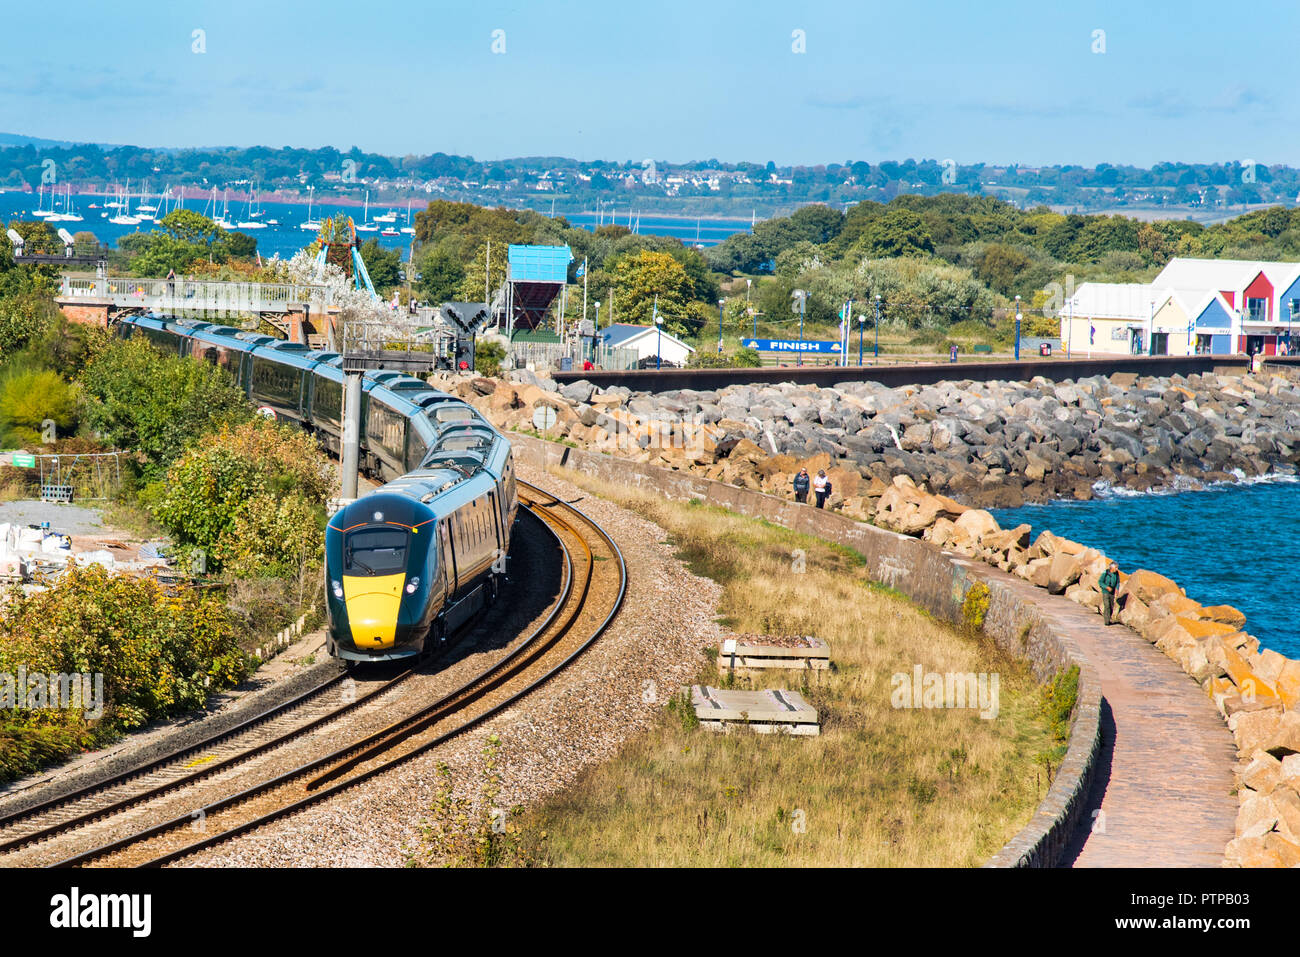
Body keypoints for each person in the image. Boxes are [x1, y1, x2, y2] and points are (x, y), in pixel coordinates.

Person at [1099, 560, 1120, 625]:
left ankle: (1108, 617)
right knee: (1107, 605)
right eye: (1116, 567)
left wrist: (1117, 589)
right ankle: (1106, 621)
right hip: (1105, 592)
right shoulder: (1105, 573)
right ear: (1112, 568)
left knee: (1111, 606)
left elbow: (1118, 582)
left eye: (1117, 567)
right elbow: (1100, 582)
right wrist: (1106, 587)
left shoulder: (1116, 573)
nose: (1117, 569)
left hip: (1112, 592)